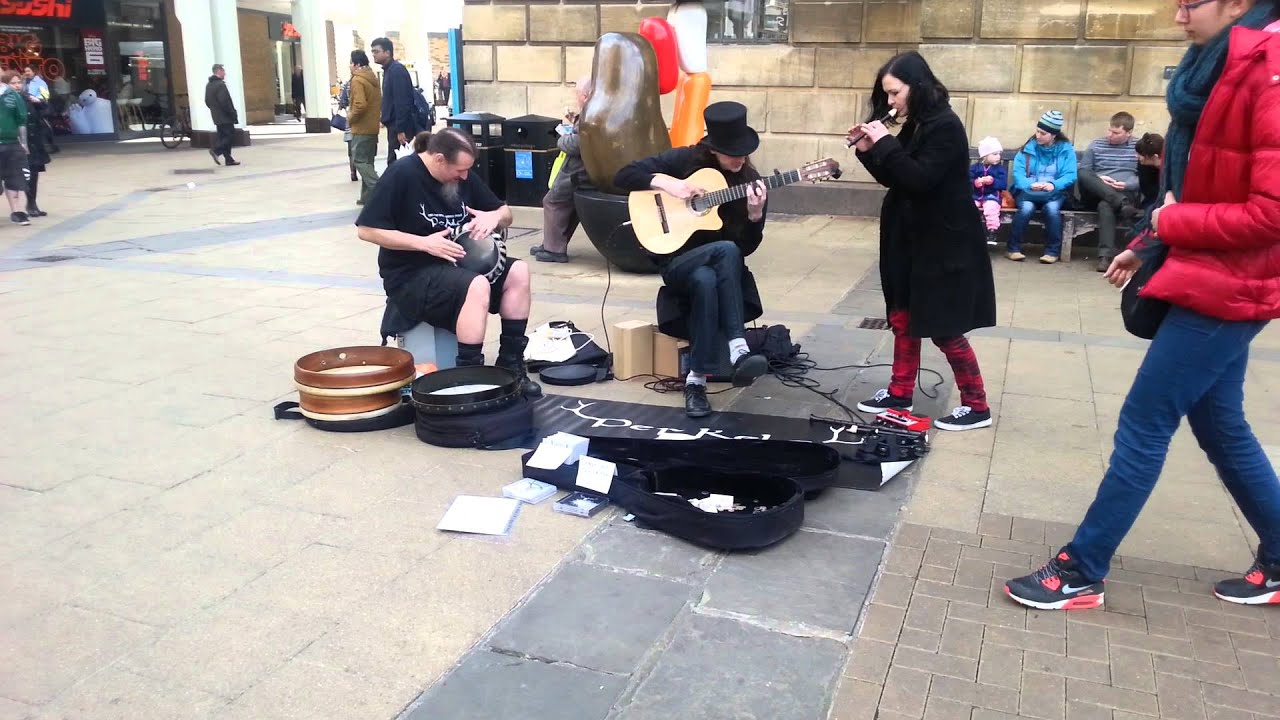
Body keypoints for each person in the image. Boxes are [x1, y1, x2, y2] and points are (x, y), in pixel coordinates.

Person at [1005, 0, 1280, 612]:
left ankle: (1081, 569)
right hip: (1203, 272)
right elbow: (1198, 187)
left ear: (1239, 4)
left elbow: (1271, 211)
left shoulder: (1268, 69)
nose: (1178, 14)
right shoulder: (1213, 68)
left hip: (1231, 285)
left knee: (1144, 422)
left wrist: (1169, 220)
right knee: (1220, 424)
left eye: (1192, 3)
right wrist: (1149, 242)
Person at [849, 52, 997, 432]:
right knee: (902, 317)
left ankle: (977, 405)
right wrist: (869, 152)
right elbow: (896, 177)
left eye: (895, 93)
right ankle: (899, 393)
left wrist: (885, 144)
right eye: (888, 95)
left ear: (917, 85)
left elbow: (919, 179)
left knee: (943, 326)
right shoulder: (918, 124)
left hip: (942, 243)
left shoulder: (945, 126)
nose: (891, 102)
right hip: (909, 239)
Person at [613, 101, 770, 418]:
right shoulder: (685, 160)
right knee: (722, 252)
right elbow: (623, 174)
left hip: (716, 274)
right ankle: (738, 348)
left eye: (742, 151)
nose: (739, 159)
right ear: (713, 149)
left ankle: (696, 382)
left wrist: (754, 216)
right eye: (731, 152)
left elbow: (745, 249)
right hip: (675, 262)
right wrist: (669, 183)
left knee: (708, 277)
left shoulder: (748, 182)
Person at [356, 128, 541, 397]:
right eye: (460, 170)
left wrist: (495, 218)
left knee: (519, 272)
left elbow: (505, 212)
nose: (465, 176)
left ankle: (511, 365)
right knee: (476, 285)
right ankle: (468, 377)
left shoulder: (461, 174)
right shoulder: (401, 174)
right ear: (440, 159)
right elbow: (366, 230)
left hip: (458, 267)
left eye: (468, 170)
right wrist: (423, 243)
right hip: (412, 274)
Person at [532, 75, 592, 263]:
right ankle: (553, 242)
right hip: (585, 170)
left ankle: (554, 249)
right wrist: (574, 120)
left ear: (585, 95)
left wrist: (561, 139)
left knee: (552, 202)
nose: (576, 98)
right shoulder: (597, 111)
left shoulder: (591, 114)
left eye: (577, 94)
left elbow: (576, 144)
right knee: (569, 207)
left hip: (576, 170)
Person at [1006, 110, 1077, 264]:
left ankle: (1052, 251)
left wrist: (1053, 184)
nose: (1038, 135)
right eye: (1037, 131)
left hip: (1053, 192)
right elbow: (1018, 175)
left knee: (1052, 209)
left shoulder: (1066, 150)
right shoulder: (1027, 149)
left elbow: (1070, 174)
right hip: (1028, 191)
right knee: (1026, 209)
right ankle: (1013, 249)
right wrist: (1031, 184)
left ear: (1053, 135)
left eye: (1043, 133)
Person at [1077, 112, 1141, 272]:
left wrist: (1127, 184)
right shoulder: (1096, 144)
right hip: (1097, 191)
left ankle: (1105, 257)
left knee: (1106, 205)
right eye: (1109, 130)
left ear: (1129, 133)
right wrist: (1100, 179)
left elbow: (1144, 176)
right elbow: (1084, 170)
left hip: (1124, 191)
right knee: (1083, 173)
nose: (1110, 135)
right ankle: (1121, 203)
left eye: (1116, 132)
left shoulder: (1138, 147)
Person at [371, 37, 420, 168]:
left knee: (397, 163)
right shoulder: (389, 70)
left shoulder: (396, 71)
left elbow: (402, 101)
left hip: (399, 126)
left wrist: (401, 129)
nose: (373, 54)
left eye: (376, 51)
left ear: (387, 53)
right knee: (397, 162)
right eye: (373, 52)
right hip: (393, 125)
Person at [347, 50, 381, 206]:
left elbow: (360, 105)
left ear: (356, 64)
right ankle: (366, 197)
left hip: (361, 128)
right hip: (372, 128)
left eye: (351, 63)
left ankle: (380, 190)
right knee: (368, 161)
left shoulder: (357, 81)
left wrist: (350, 118)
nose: (350, 66)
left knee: (359, 160)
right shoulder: (372, 78)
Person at [0, 71, 30, 226]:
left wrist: (24, 143)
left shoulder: (12, 95)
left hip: (11, 143)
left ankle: (17, 212)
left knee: (13, 178)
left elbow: (21, 120)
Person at [970, 136, 1007, 245]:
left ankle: (992, 232)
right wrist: (976, 182)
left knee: (991, 208)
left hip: (991, 196)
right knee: (969, 207)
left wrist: (992, 182)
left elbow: (1003, 184)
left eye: (999, 154)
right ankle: (969, 232)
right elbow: (967, 180)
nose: (998, 157)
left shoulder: (1000, 169)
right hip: (975, 195)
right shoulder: (975, 168)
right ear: (985, 156)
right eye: (994, 154)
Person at [23, 74, 51, 217]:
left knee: (32, 173)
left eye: (18, 82)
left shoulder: (26, 97)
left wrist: (39, 102)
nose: (17, 85)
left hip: (32, 141)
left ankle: (31, 203)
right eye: (13, 83)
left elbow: (46, 111)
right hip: (13, 141)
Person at [204, 64, 239, 166]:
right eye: (223, 71)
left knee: (223, 136)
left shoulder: (209, 85)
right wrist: (232, 113)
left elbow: (207, 101)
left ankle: (229, 159)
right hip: (225, 116)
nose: (225, 73)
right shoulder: (220, 85)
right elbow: (225, 102)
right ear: (218, 71)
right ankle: (216, 151)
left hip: (216, 116)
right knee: (229, 135)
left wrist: (214, 110)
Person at [1134, 132, 1164, 212]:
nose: (1136, 156)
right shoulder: (1143, 165)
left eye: (1140, 154)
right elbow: (1147, 191)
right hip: (1151, 201)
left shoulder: (1172, 166)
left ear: (1154, 156)